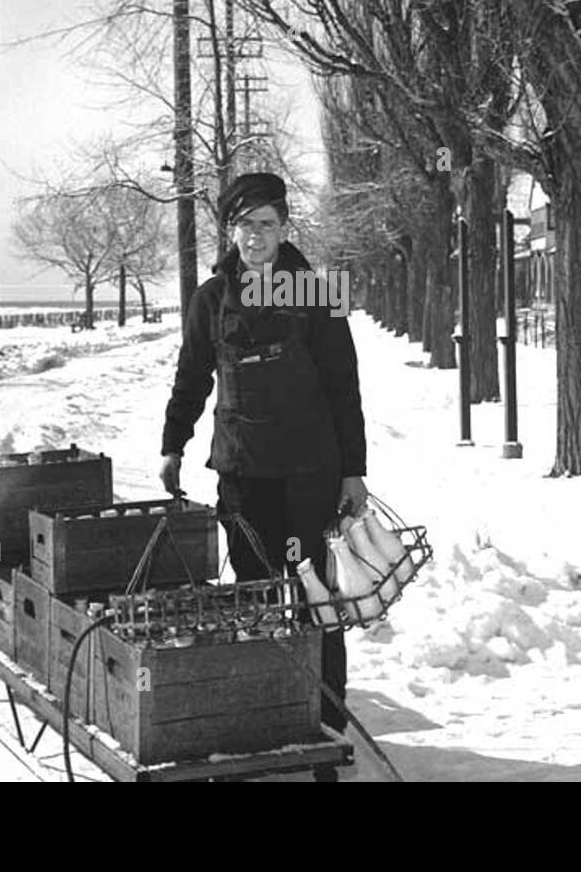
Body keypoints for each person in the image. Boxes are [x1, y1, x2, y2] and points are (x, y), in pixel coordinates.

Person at [159, 172, 368, 778]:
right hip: (244, 475)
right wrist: (174, 444)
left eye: (268, 224)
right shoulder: (211, 298)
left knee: (311, 596)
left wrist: (353, 470)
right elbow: (192, 377)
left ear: (284, 229)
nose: (257, 236)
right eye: (246, 225)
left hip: (309, 474)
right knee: (252, 598)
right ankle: (260, 718)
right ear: (232, 231)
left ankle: (326, 724)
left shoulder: (316, 293)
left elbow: (343, 387)